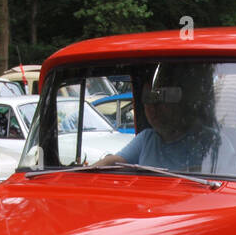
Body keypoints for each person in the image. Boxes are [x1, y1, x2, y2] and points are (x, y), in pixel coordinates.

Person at [95, 65, 224, 171]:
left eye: (159, 100)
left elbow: (222, 177)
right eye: (147, 100)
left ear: (178, 102)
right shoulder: (147, 138)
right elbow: (114, 161)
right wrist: (87, 172)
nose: (152, 108)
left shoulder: (209, 140)